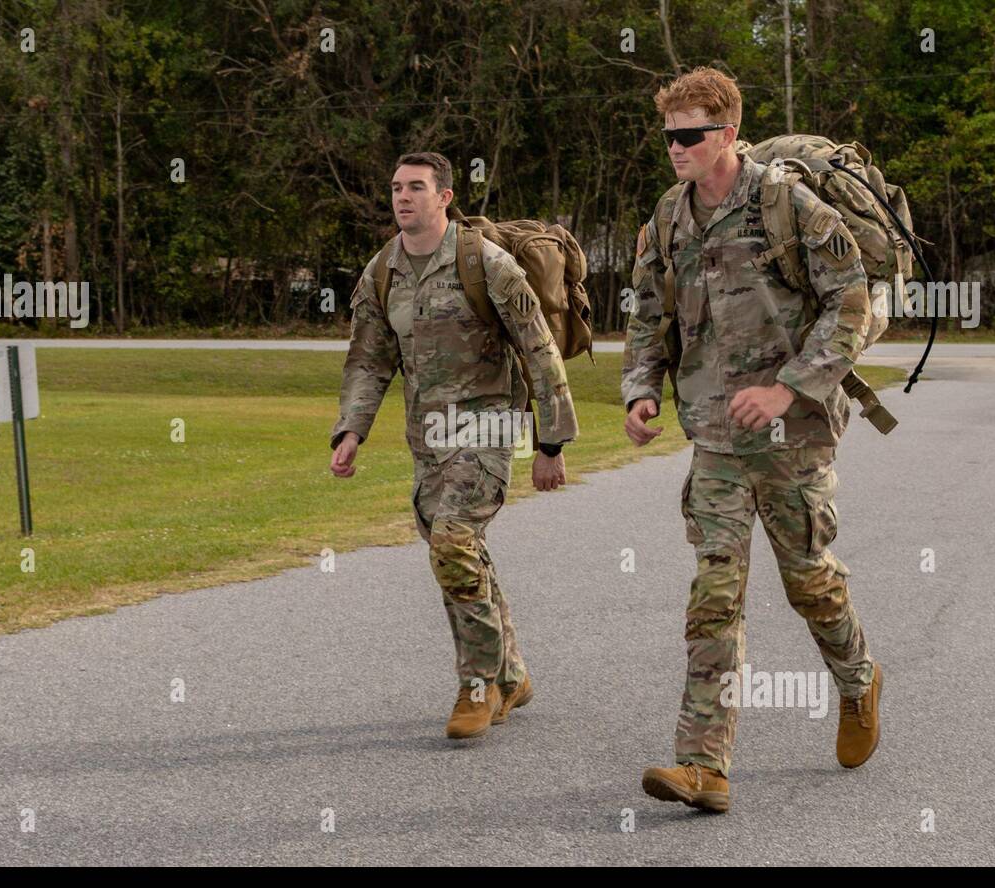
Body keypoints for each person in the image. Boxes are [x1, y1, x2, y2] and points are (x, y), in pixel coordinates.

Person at [622, 68, 883, 813]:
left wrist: (789, 385)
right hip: (713, 436)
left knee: (808, 580)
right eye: (668, 134)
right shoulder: (667, 218)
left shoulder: (786, 203)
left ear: (727, 134)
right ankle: (703, 765)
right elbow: (649, 315)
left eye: (690, 135)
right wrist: (641, 388)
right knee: (714, 593)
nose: (675, 148)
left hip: (792, 433)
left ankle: (859, 681)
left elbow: (851, 303)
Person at [331, 151, 579, 740]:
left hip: (489, 427)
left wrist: (551, 442)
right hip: (427, 438)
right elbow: (369, 359)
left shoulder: (485, 263)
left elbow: (540, 350)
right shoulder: (381, 271)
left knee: (451, 543)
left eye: (416, 187)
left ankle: (478, 685)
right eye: (396, 188)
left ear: (444, 197)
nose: (403, 197)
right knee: (459, 557)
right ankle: (511, 673)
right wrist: (350, 430)